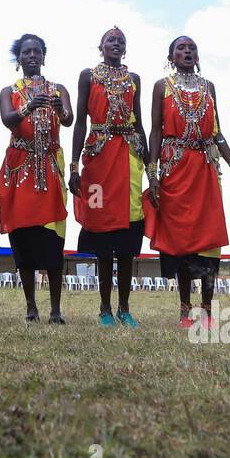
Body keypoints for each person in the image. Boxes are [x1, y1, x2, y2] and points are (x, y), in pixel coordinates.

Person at [146, 36, 230, 329]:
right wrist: (152, 173)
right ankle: (184, 309)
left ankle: (206, 310)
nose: (187, 51)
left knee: (209, 240)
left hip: (205, 168)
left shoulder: (209, 87)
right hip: (175, 168)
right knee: (181, 242)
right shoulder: (161, 87)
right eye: (181, 48)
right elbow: (155, 131)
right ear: (171, 56)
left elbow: (217, 134)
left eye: (191, 48)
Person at [70, 27, 148, 328]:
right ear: (100, 46)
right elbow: (80, 122)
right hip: (97, 160)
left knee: (128, 235)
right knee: (102, 234)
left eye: (121, 42)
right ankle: (104, 308)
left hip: (128, 158)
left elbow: (140, 123)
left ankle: (124, 308)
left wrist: (151, 169)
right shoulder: (87, 76)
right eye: (111, 40)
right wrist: (74, 166)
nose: (116, 44)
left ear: (125, 49)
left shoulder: (135, 80)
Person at [0, 34, 74, 324]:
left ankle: (55, 309)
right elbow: (7, 120)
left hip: (50, 168)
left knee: (52, 238)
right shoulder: (9, 90)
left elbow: (69, 119)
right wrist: (28, 106)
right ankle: (31, 306)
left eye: (36, 51)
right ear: (19, 59)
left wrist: (57, 108)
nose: (31, 56)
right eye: (26, 52)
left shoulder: (58, 89)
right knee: (23, 237)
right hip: (20, 170)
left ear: (43, 56)